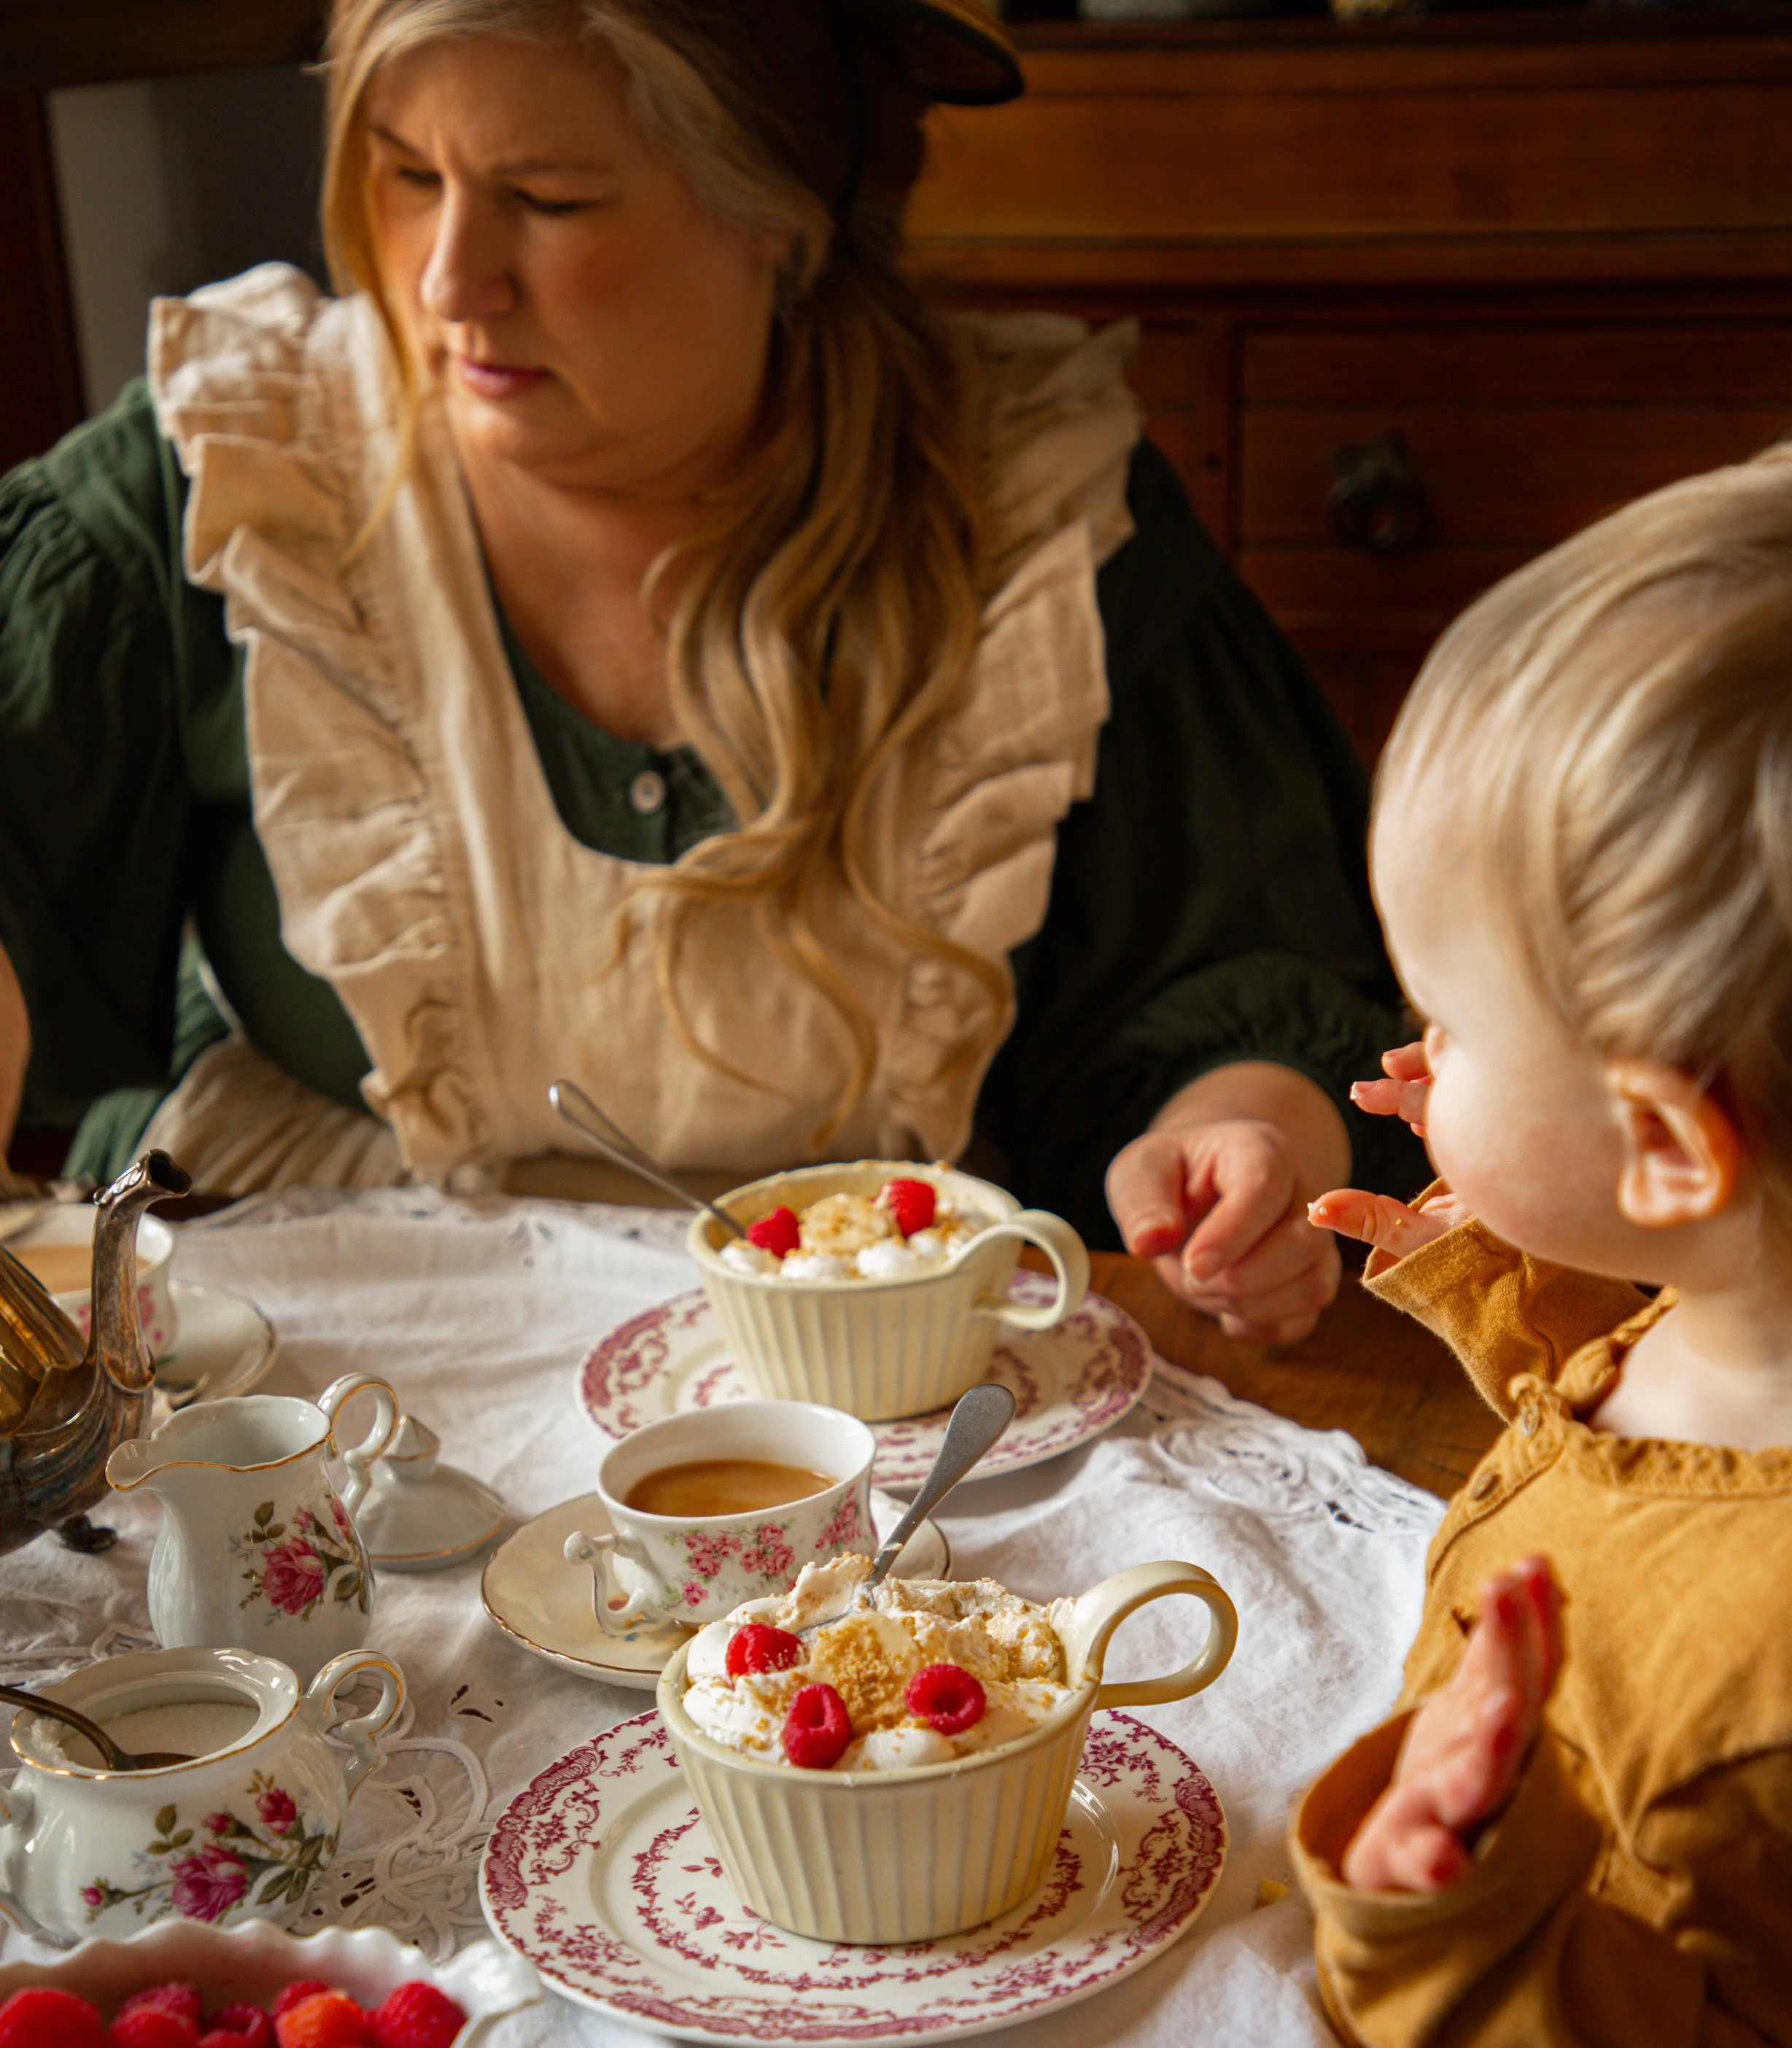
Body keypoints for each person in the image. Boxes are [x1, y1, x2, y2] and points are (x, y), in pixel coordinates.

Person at [0, 0, 1421, 1342]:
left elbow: (1230, 981)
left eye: (547, 199)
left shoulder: (1034, 510)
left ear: (777, 209)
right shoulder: (242, 481)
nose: (447, 279)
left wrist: (1238, 1150)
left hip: (893, 1335)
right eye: (406, 173)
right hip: (339, 1322)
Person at [1291, 444, 1792, 2048]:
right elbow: (1650, 1434)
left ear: (1671, 1135)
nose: (1415, 1044)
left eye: (1453, 1012)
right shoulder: (1749, 1313)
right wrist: (1514, 1279)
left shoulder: (1776, 1677)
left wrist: (1471, 1921)